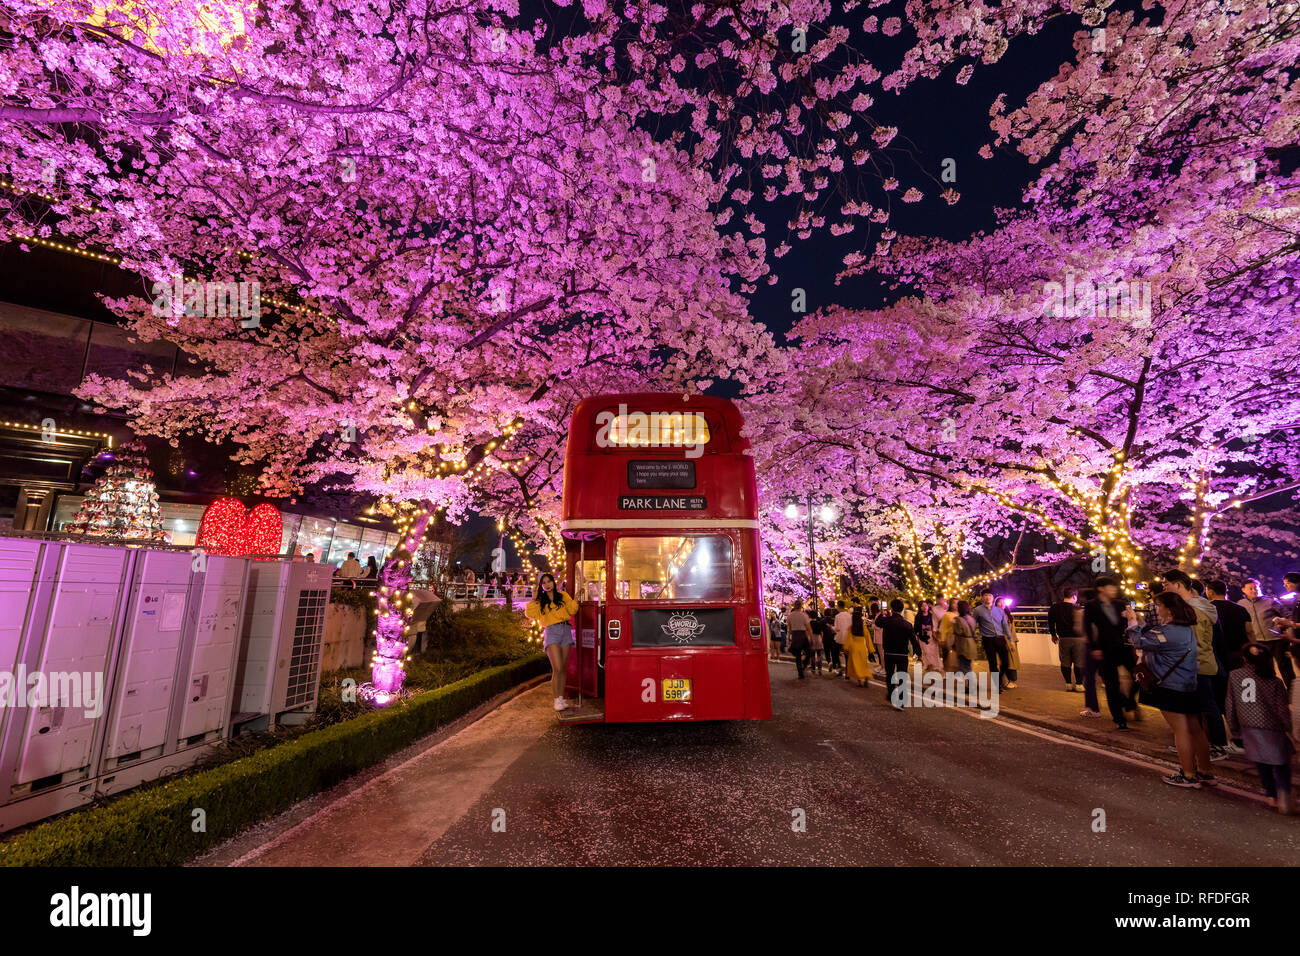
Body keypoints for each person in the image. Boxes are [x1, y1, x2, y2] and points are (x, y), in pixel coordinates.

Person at [1123, 592, 1212, 788]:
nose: (1156, 608)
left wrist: (1132, 622)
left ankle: (1188, 775)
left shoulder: (1168, 631)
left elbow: (1140, 642)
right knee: (1196, 730)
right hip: (1189, 684)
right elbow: (1157, 639)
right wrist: (1141, 623)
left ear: (1168, 609)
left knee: (1181, 731)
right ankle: (1205, 772)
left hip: (1170, 686)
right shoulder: (1185, 629)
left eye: (1158, 605)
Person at [1163, 570, 1229, 758]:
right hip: (1195, 664)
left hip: (1197, 664)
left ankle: (1216, 745)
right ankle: (1198, 743)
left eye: (1166, 584)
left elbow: (1196, 641)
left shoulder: (1194, 609)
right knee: (1197, 707)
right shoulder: (1194, 606)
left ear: (1177, 585)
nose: (1165, 588)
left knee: (1207, 705)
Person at [1225, 643, 1293, 813]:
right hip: (1272, 727)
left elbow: (1230, 703)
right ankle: (1284, 791)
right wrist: (1288, 727)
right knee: (1281, 762)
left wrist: (1233, 725)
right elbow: (1282, 708)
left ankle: (1271, 796)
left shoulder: (1235, 675)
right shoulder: (1274, 681)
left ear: (1244, 659)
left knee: (1261, 763)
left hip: (1248, 727)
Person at [1083, 577, 1136, 729]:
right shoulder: (1091, 605)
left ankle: (1130, 701)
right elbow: (1088, 627)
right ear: (1101, 589)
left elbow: (1129, 622)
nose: (1114, 590)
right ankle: (1119, 718)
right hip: (1104, 648)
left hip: (1123, 646)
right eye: (1110, 587)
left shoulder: (1119, 604)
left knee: (1138, 676)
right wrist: (1095, 648)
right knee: (1112, 684)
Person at [524, 573, 580, 712]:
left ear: (553, 582)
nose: (547, 584)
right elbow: (530, 614)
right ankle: (556, 700)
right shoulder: (541, 600)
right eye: (544, 582)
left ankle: (561, 698)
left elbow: (572, 610)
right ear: (542, 586)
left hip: (565, 630)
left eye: (549, 581)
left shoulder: (563, 596)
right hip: (551, 632)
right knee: (558, 668)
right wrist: (533, 597)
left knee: (563, 668)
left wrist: (577, 598)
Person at [881, 599, 922, 708]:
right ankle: (901, 700)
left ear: (892, 609)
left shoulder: (887, 621)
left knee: (889, 675)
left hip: (889, 653)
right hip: (902, 654)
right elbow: (914, 640)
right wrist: (919, 654)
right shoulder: (907, 624)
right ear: (902, 609)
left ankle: (891, 695)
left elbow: (877, 622)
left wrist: (883, 613)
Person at [972, 589, 1016, 690]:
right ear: (982, 597)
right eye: (985, 595)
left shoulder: (999, 610)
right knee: (993, 663)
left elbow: (1005, 626)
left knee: (1005, 662)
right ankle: (997, 684)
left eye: (990, 595)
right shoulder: (978, 610)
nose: (988, 597)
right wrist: (974, 635)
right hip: (988, 640)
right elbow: (974, 624)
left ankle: (999, 678)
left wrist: (1011, 640)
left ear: (992, 597)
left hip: (1000, 639)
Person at [1049, 588, 1086, 691]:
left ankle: (1068, 684)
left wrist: (1053, 635)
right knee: (1079, 662)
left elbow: (1051, 622)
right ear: (1074, 596)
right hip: (1078, 639)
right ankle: (1079, 684)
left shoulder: (1054, 607)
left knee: (1065, 661)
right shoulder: (1078, 608)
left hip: (1063, 638)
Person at [844, 606, 872, 686]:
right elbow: (868, 639)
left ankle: (859, 681)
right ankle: (866, 677)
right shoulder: (863, 628)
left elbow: (848, 639)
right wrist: (870, 650)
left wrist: (846, 648)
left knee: (857, 665)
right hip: (862, 648)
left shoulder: (851, 628)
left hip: (854, 648)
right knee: (863, 664)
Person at [786, 600, 813, 679]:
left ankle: (800, 673)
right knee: (809, 651)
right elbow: (809, 629)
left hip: (795, 635)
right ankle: (804, 664)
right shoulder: (804, 615)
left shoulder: (790, 616)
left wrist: (789, 638)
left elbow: (789, 629)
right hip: (802, 634)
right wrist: (811, 638)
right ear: (801, 606)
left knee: (797, 655)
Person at [832, 600, 852, 677]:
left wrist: (831, 627)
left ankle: (839, 668)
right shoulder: (849, 615)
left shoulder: (837, 616)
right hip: (847, 637)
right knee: (847, 656)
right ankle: (847, 673)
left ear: (839, 606)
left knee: (835, 653)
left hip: (839, 638)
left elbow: (837, 628)